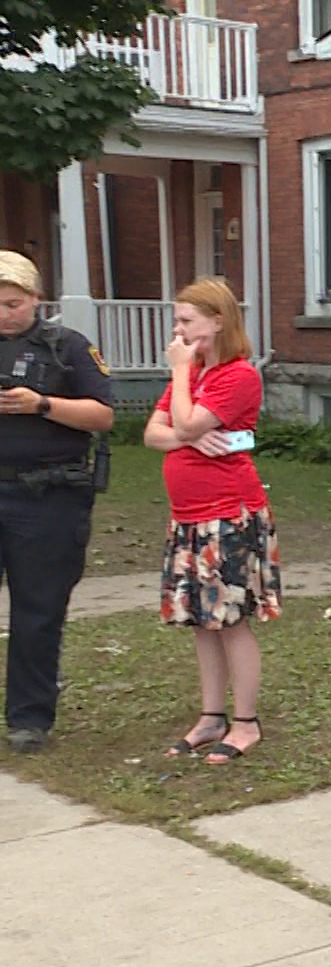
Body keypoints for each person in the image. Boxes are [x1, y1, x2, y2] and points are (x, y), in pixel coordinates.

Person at [146, 278, 281, 765]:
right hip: (189, 520)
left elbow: (180, 423)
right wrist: (185, 434)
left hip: (227, 516)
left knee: (230, 621)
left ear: (218, 320)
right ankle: (211, 716)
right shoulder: (195, 372)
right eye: (177, 320)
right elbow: (152, 433)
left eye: (187, 321)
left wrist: (181, 381)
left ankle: (245, 721)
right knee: (203, 622)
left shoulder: (236, 375)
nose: (177, 331)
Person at [0, 251, 114, 755]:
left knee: (38, 610)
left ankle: (29, 718)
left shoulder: (67, 347)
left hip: (45, 497)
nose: (4, 313)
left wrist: (40, 404)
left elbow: (102, 415)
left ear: (35, 300)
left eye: (13, 303)